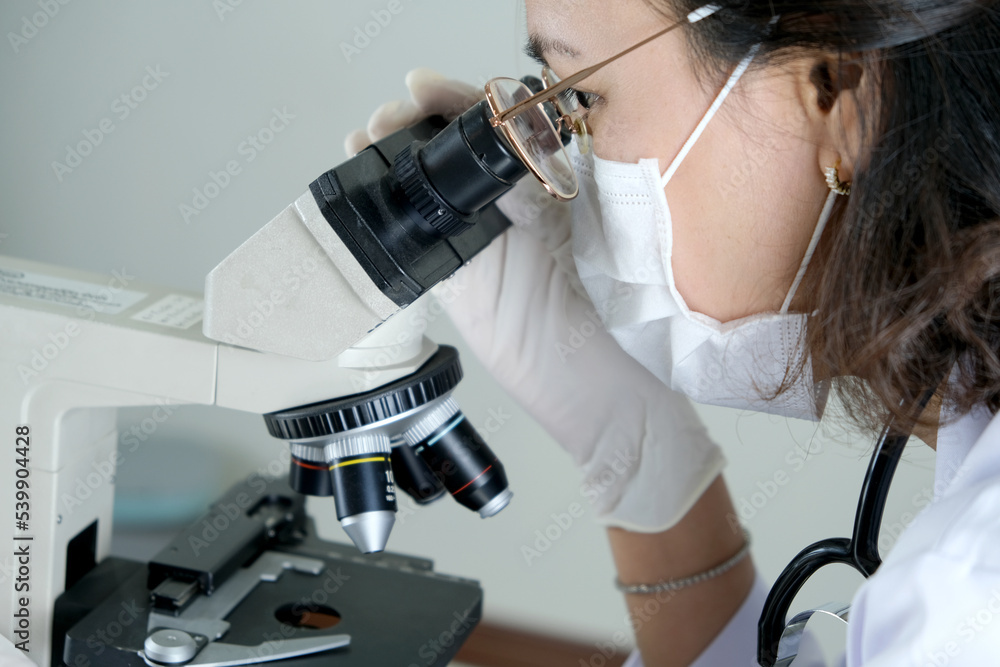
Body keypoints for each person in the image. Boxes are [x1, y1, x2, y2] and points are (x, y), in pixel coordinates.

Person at [347, 0, 1000, 664]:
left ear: (835, 91)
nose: (569, 158)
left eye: (582, 97)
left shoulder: (967, 601)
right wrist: (641, 458)